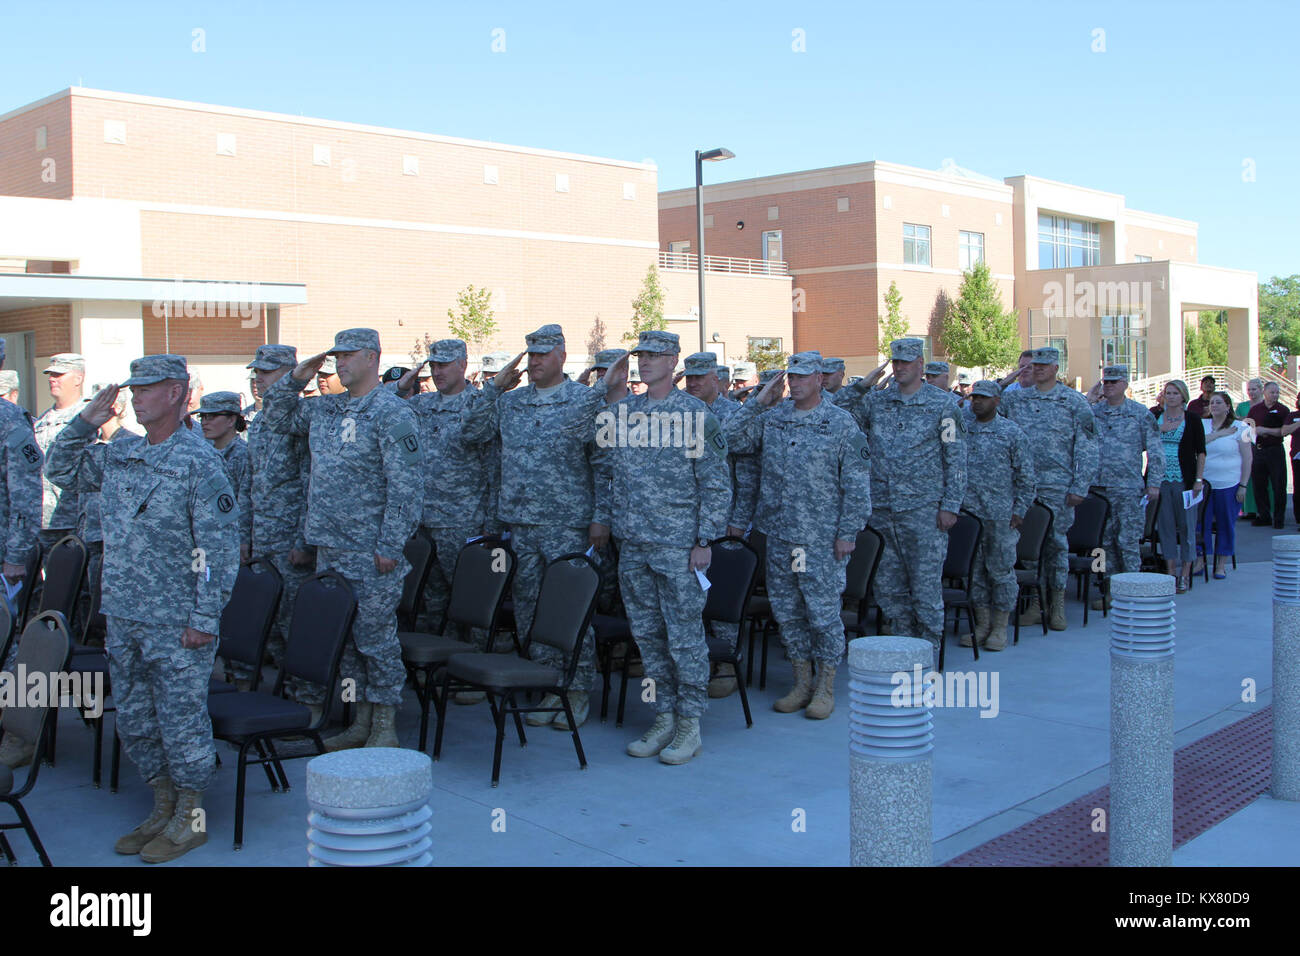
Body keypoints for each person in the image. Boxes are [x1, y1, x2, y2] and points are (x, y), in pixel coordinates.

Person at [45, 355, 239, 862]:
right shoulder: (120, 454)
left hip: (177, 621)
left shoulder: (199, 461)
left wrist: (203, 619)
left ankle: (191, 814)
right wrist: (87, 420)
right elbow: (59, 467)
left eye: (148, 388)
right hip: (126, 614)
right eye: (133, 388)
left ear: (176, 393)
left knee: (181, 720)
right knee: (136, 718)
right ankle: (162, 803)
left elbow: (218, 550)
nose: (136, 396)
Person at [259, 329, 424, 750]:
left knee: (375, 639)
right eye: (336, 357)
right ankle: (358, 720)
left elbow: (406, 486)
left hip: (369, 550)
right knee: (347, 640)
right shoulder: (326, 409)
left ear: (372, 357)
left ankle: (384, 722)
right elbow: (276, 415)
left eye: (348, 356)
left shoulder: (392, 412)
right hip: (329, 546)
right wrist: (296, 378)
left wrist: (390, 544)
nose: (339, 363)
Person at [461, 324, 609, 730]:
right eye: (531, 354)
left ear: (563, 354)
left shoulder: (585, 401)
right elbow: (471, 433)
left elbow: (604, 465)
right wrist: (493, 388)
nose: (536, 361)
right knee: (529, 609)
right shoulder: (512, 403)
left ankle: (576, 689)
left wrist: (601, 516)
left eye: (544, 353)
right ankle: (549, 684)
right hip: (521, 522)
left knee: (569, 607)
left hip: (569, 522)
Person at [593, 333, 730, 763]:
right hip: (633, 544)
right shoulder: (624, 413)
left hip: (678, 545)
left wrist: (704, 539)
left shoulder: (696, 415)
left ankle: (690, 723)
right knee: (648, 637)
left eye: (654, 356)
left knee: (684, 637)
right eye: (641, 357)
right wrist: (606, 384)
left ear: (674, 361)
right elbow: (598, 459)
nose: (646, 363)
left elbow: (716, 483)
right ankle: (664, 714)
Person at [723, 351, 871, 714]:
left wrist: (847, 532)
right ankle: (801, 680)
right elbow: (727, 440)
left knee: (821, 613)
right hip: (779, 534)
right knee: (787, 612)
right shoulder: (773, 419)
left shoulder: (841, 424)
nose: (796, 382)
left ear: (821, 378)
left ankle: (826, 685)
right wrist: (757, 403)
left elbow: (857, 484)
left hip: (820, 538)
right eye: (792, 375)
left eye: (805, 376)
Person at [842, 338, 965, 665]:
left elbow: (956, 459)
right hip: (882, 511)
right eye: (896, 362)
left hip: (924, 512)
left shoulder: (943, 406)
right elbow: (836, 413)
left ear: (921, 365)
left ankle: (928, 653)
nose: (900, 367)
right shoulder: (877, 403)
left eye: (907, 362)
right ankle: (904, 647)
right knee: (888, 588)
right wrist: (860, 387)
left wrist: (950, 505)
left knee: (924, 588)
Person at [392, 340, 495, 690]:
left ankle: (475, 674)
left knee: (470, 601)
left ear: (463, 365)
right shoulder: (421, 405)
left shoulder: (480, 405)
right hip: (424, 521)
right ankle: (436, 672)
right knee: (430, 600)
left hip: (463, 518)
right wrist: (401, 386)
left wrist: (490, 523)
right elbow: (384, 410)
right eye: (433, 365)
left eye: (445, 365)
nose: (437, 371)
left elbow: (493, 467)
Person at [999, 347, 1098, 631]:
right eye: (1033, 364)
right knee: (1022, 547)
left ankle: (1055, 606)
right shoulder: (1014, 398)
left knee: (1054, 546)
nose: (1037, 368)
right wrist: (1004, 381)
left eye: (1044, 365)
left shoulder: (1073, 402)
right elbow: (980, 411)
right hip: (1019, 487)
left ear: (1056, 368)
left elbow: (1088, 447)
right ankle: (1032, 603)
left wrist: (1080, 485)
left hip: (1056, 485)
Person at [244, 344, 318, 705]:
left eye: (267, 372)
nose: (258, 379)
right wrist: (246, 536)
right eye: (256, 372)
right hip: (264, 539)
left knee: (296, 623)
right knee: (267, 619)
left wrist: (304, 540)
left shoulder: (301, 419)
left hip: (290, 539)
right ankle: (283, 693)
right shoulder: (259, 423)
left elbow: (311, 483)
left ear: (291, 376)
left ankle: (308, 698)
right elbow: (249, 484)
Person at [681, 351, 753, 698]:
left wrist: (738, 521)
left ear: (716, 379)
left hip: (723, 520)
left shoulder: (733, 415)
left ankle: (725, 662)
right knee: (691, 593)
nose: (693, 383)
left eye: (700, 377)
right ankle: (697, 659)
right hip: (685, 521)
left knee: (720, 590)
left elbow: (747, 475)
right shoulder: (680, 413)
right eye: (689, 377)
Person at [960, 381, 1035, 651]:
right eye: (974, 397)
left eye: (983, 398)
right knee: (975, 572)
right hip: (969, 515)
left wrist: (1020, 510)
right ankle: (982, 624)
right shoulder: (963, 430)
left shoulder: (1011, 433)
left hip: (1001, 515)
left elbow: (1026, 477)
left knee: (1001, 571)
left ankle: (1000, 626)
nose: (976, 402)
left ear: (997, 401)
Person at [1088, 365, 1164, 609]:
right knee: (1103, 543)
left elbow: (1155, 451)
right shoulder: (1093, 413)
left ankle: (1132, 590)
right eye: (1105, 382)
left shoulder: (1140, 414)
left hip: (1127, 488)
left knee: (1128, 541)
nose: (1108, 386)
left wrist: (1153, 483)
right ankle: (1109, 590)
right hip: (1099, 489)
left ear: (1125, 384)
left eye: (1113, 382)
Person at [33, 353, 89, 553]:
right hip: (41, 518)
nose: (52, 379)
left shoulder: (88, 419)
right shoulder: (41, 420)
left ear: (78, 378)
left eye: (59, 374)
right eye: (51, 374)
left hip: (71, 519)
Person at [1153, 380, 1206, 592]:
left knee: (1187, 527)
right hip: (1160, 480)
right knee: (1165, 526)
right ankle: (1170, 572)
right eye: (1168, 393)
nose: (1171, 396)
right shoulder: (1155, 417)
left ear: (1183, 396)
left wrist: (1198, 480)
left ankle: (1185, 573)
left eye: (1175, 393)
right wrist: (1159, 429)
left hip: (1184, 480)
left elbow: (1201, 451)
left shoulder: (1192, 419)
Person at [197, 392, 252, 562]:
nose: (205, 422)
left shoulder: (242, 455)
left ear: (231, 420)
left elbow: (245, 501)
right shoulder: (204, 455)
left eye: (212, 416)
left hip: (230, 541)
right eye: (203, 416)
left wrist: (242, 540)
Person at [1201, 392, 1251, 578]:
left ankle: (1221, 563)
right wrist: (1220, 434)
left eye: (1219, 402)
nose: (1214, 405)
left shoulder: (1242, 427)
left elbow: (1248, 457)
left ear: (1228, 406)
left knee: (1225, 524)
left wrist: (1243, 486)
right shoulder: (1202, 424)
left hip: (1229, 484)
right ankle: (1200, 560)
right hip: (1205, 485)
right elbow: (1197, 444)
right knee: (1201, 524)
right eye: (1212, 402)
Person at [1248, 381, 1289, 529]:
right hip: (1258, 450)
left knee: (1279, 485)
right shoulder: (1255, 410)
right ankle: (1264, 516)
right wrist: (1254, 432)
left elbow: (1284, 431)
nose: (1275, 395)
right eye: (1272, 392)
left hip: (1275, 449)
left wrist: (1265, 430)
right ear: (1264, 393)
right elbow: (1247, 429)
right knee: (1259, 485)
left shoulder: (1283, 410)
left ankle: (1279, 519)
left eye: (1277, 392)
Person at [1237, 379, 1262, 518]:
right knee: (1248, 477)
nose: (1251, 392)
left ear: (1260, 389)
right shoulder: (1242, 406)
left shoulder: (1265, 405)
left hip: (1263, 443)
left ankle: (1264, 509)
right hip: (1246, 442)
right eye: (1249, 389)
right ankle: (1249, 509)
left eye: (1254, 389)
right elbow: (1237, 421)